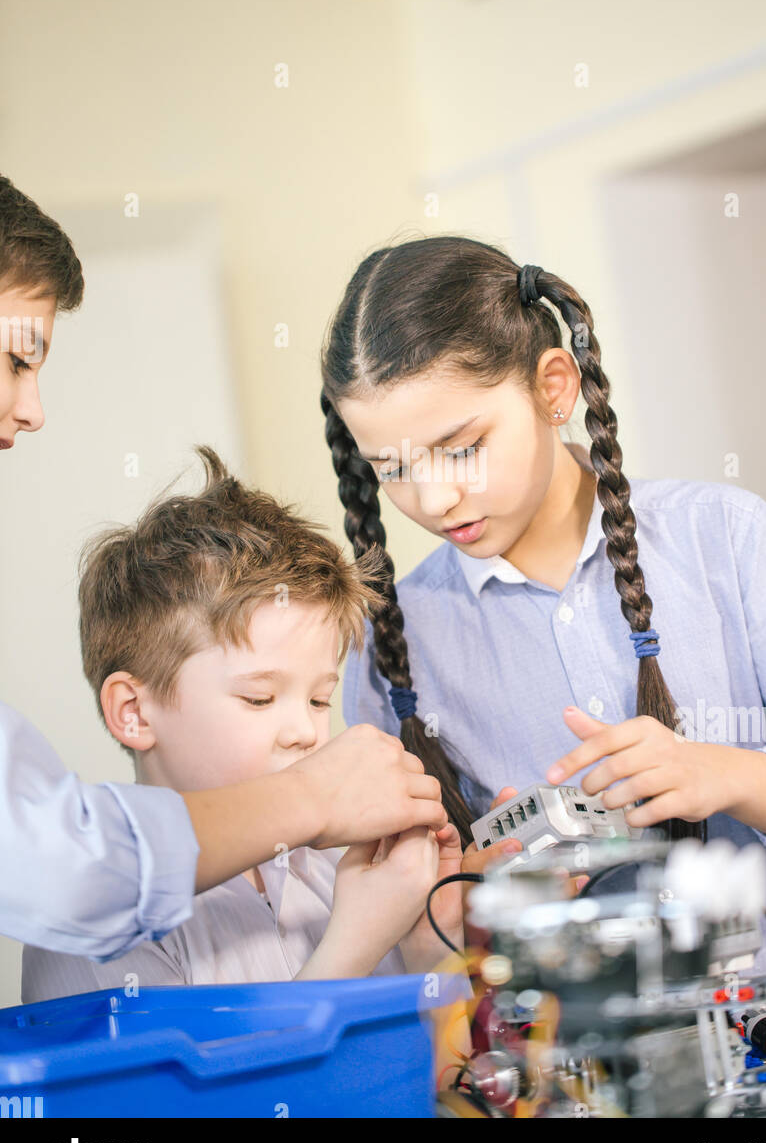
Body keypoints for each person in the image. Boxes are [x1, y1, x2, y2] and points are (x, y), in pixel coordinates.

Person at [319, 235, 766, 978]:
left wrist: (724, 774)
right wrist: (472, 893)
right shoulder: (396, 638)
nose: (434, 499)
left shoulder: (726, 538)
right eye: (393, 470)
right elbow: (403, 931)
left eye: (461, 447)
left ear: (554, 388)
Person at [0, 175, 446, 963]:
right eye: (13, 359)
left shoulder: (326, 874)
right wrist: (326, 836)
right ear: (134, 711)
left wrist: (427, 926)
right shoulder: (111, 946)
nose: (33, 409)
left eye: (318, 697)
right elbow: (67, 874)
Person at [22, 448, 464, 999]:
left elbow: (436, 1076)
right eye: (259, 699)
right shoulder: (94, 925)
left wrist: (429, 942)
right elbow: (200, 1088)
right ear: (133, 712)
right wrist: (355, 942)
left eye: (320, 700)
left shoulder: (338, 872)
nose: (305, 731)